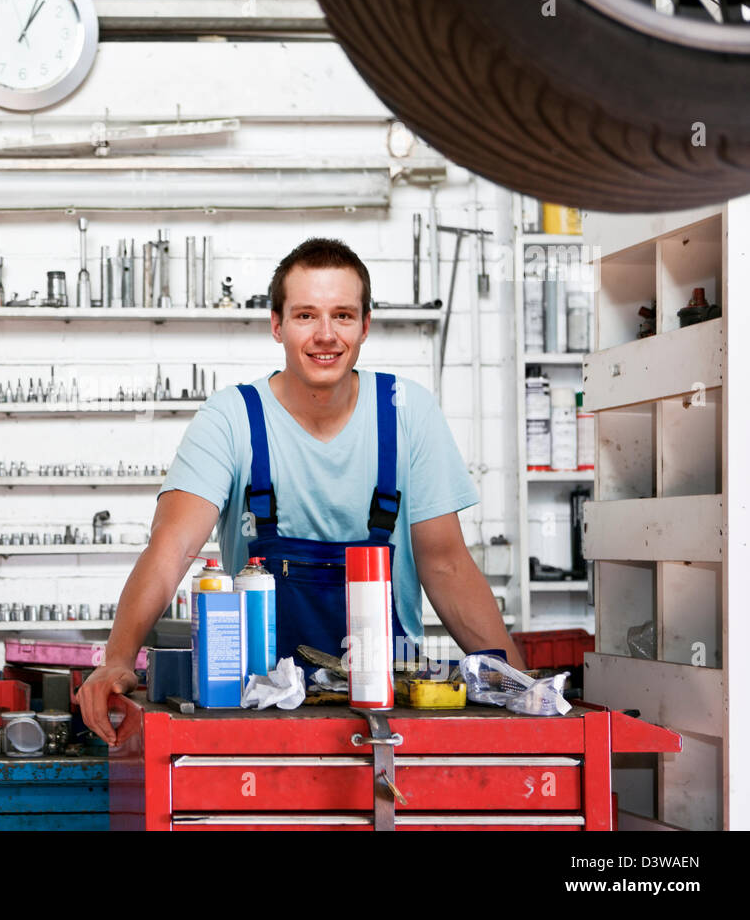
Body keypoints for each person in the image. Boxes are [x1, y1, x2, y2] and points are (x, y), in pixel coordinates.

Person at [78, 237, 525, 745]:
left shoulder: (407, 412)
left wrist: (517, 682)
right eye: (306, 315)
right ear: (277, 325)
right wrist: (116, 659)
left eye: (343, 315)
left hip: (388, 709)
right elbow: (172, 547)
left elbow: (445, 563)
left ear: (365, 326)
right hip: (256, 710)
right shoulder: (232, 419)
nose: (326, 335)